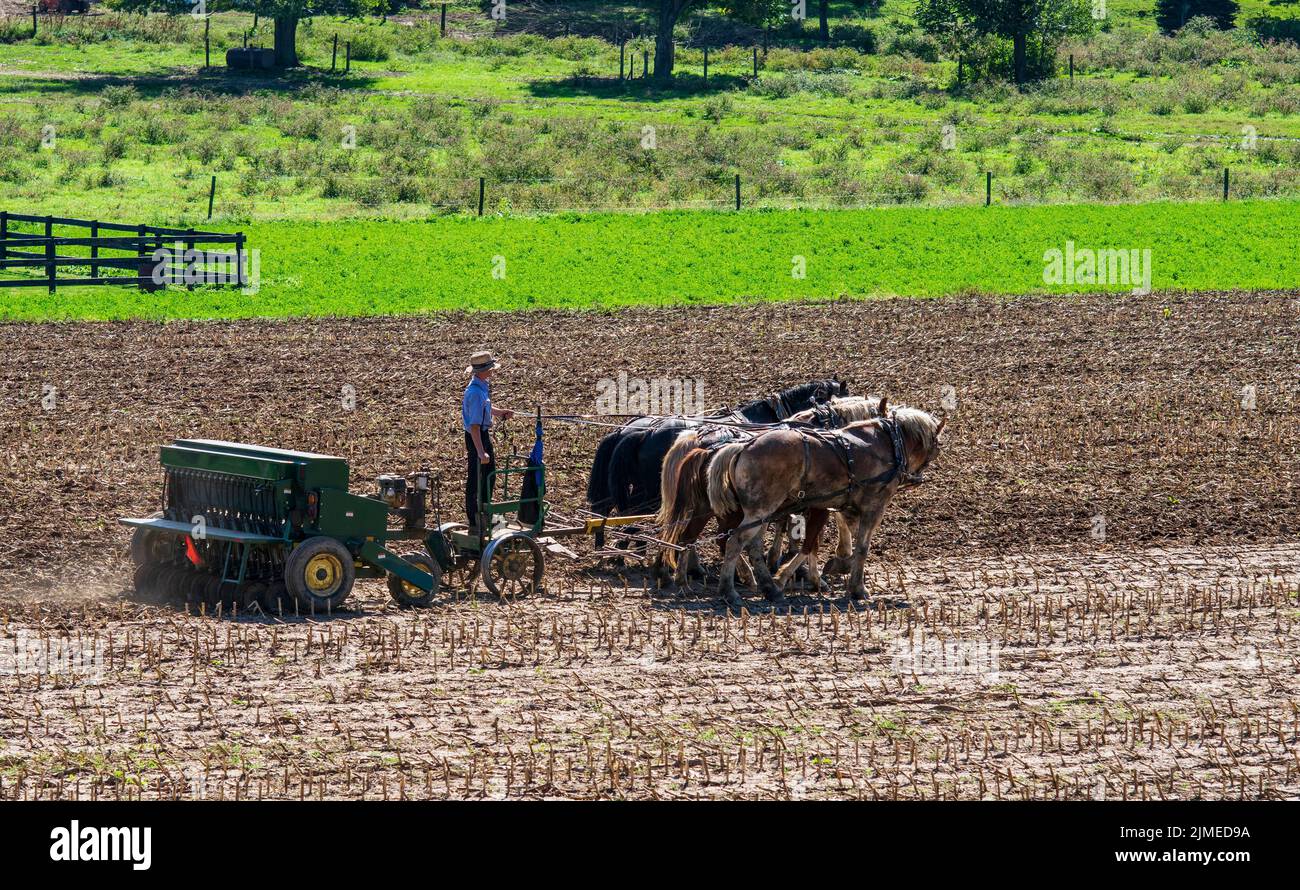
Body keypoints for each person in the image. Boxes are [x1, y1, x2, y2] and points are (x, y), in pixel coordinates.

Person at [462, 350, 513, 532]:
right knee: (478, 479)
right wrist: (481, 451)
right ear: (483, 370)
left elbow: (485, 407)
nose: (493, 371)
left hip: (481, 436)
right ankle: (478, 519)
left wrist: (500, 412)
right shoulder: (475, 392)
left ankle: (486, 514)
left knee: (488, 477)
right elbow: (474, 426)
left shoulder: (481, 385)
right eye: (490, 368)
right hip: (477, 438)